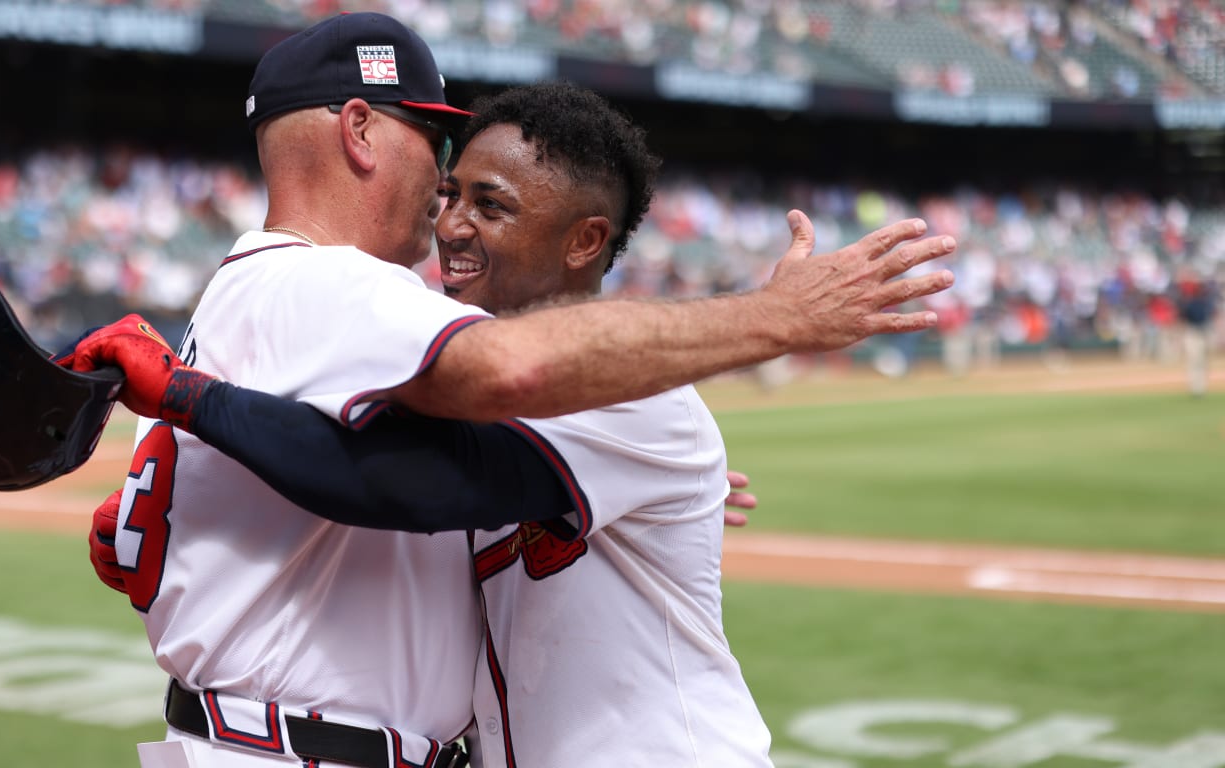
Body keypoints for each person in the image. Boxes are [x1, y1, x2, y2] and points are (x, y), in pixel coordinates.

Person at [61, 12, 955, 768]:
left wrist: (189, 404)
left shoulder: (611, 396)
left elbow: (400, 478)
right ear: (361, 130)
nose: (449, 221)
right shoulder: (397, 326)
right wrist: (207, 522)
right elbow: (388, 470)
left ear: (582, 241)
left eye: (488, 204)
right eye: (448, 186)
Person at [1177, 264, 1218, 397]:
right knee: (1194, 360)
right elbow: (1183, 317)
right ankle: (1196, 387)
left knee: (1204, 361)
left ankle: (1202, 385)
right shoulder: (1188, 301)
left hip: (1205, 331)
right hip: (1193, 332)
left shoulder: (1206, 300)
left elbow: (1212, 314)